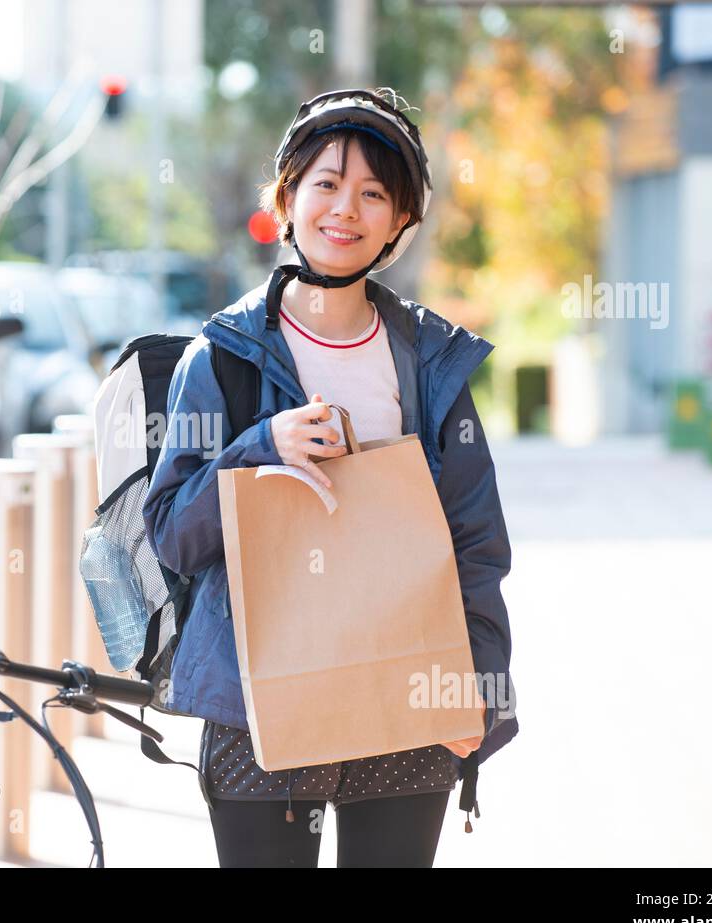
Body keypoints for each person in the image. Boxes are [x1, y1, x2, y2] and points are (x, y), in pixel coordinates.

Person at [142, 87, 518, 867]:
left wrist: (476, 687)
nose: (346, 208)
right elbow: (174, 535)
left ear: (401, 221)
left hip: (407, 699)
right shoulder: (220, 359)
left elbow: (475, 543)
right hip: (261, 707)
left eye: (374, 193)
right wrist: (259, 446)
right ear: (286, 198)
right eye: (326, 183)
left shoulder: (430, 363)